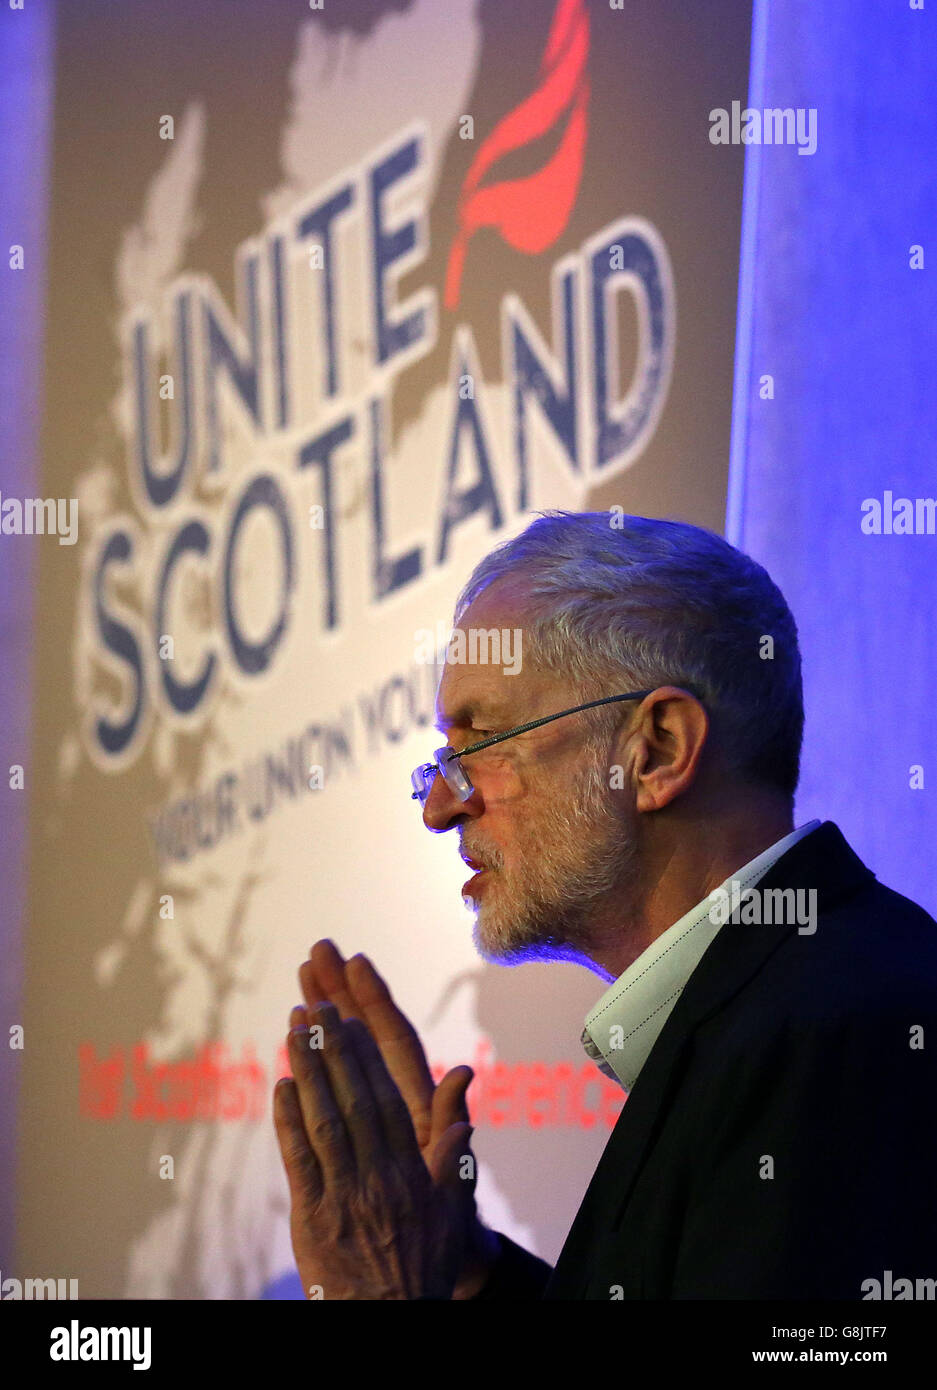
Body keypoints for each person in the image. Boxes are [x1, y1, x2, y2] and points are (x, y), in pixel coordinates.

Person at [273, 510, 937, 1300]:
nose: (439, 810)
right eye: (440, 764)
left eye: (479, 746)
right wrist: (466, 1272)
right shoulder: (778, 1010)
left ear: (654, 750)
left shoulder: (835, 1035)